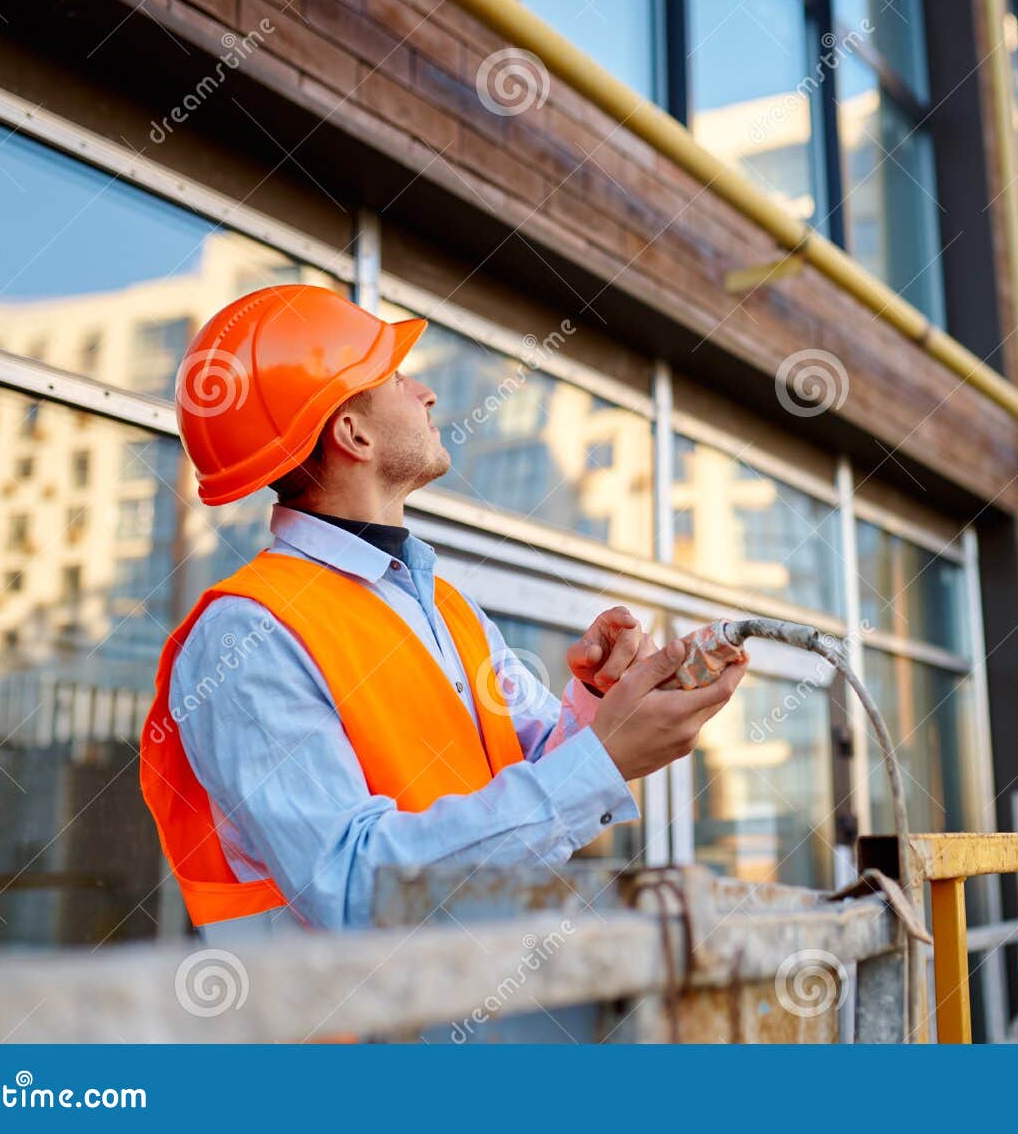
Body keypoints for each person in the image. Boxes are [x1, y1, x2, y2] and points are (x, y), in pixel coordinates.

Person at [140, 285, 747, 938]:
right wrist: (602, 759)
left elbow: (534, 778)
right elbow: (354, 884)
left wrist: (602, 703)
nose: (426, 392)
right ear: (353, 432)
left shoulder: (440, 603)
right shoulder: (249, 634)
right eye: (397, 377)